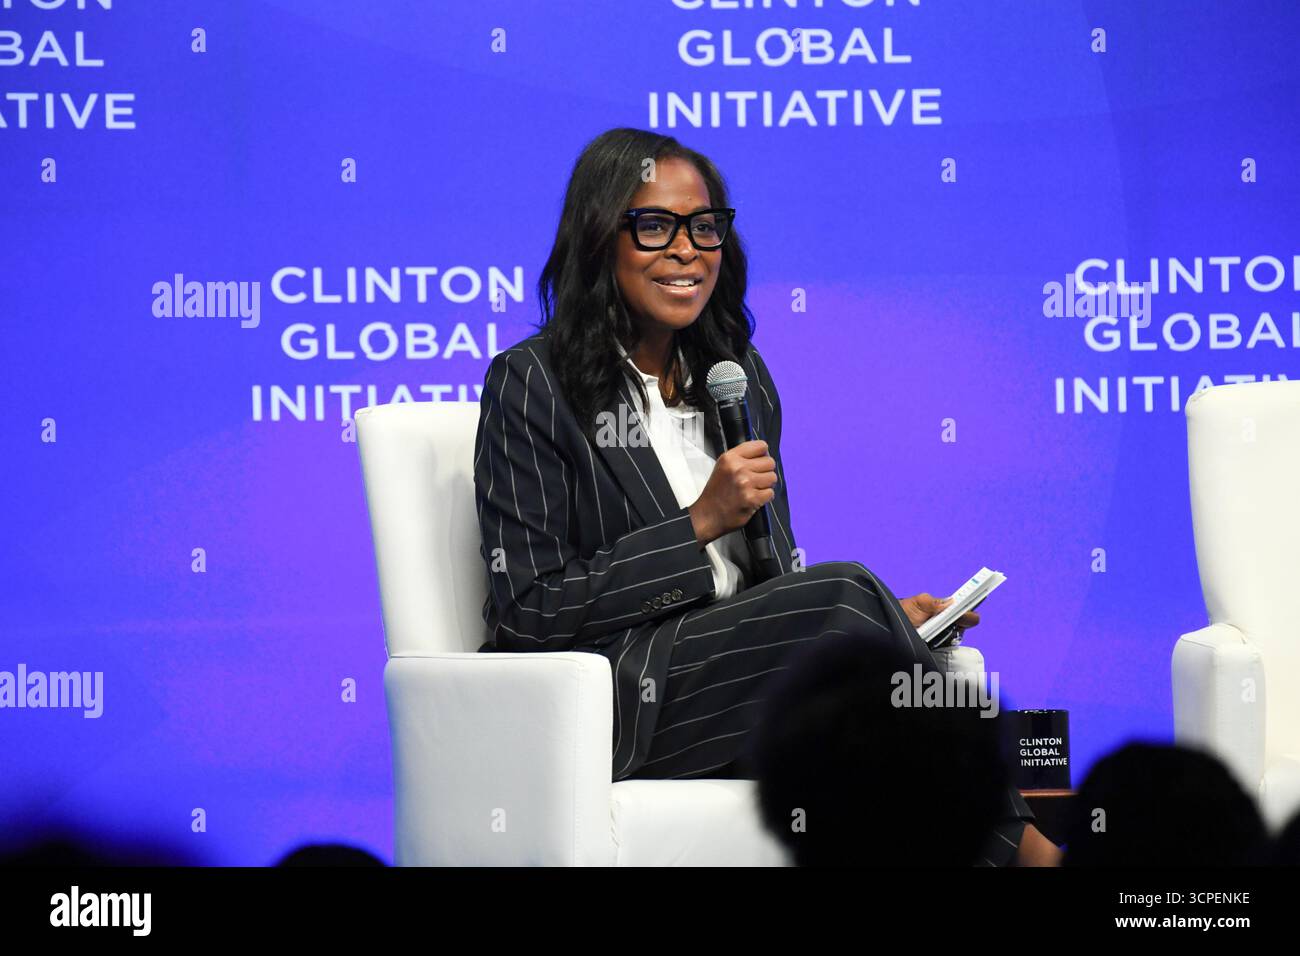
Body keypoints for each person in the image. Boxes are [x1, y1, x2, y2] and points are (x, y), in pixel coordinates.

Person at [473, 126, 1057, 865]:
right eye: (654, 226)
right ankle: (1029, 851)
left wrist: (886, 629)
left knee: (864, 632)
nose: (686, 250)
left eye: (705, 227)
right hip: (619, 699)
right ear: (599, 240)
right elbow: (527, 611)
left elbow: (769, 583)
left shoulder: (735, 375)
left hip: (745, 684)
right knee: (845, 592)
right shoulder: (534, 383)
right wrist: (697, 525)